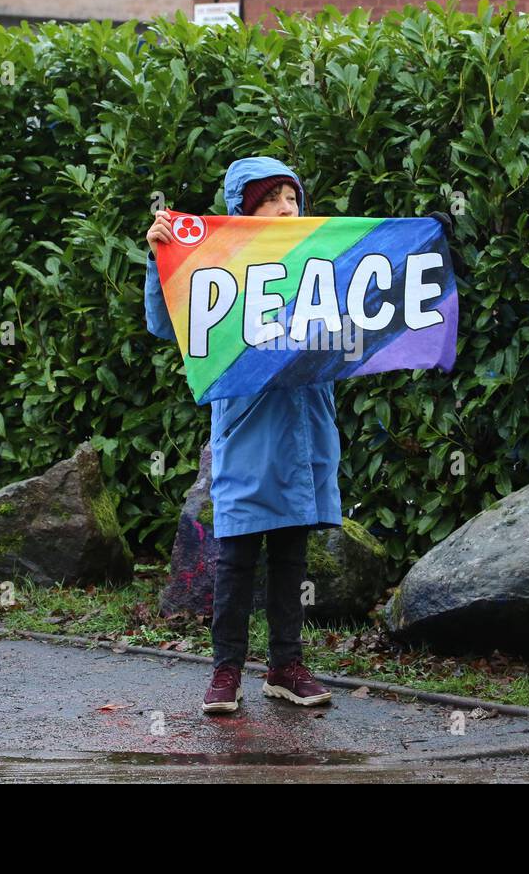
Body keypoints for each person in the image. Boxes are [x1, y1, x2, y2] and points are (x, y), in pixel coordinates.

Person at [144, 156, 337, 713]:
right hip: (248, 428)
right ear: (245, 209)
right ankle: (225, 671)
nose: (286, 207)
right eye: (273, 197)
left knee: (291, 557)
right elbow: (165, 324)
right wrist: (162, 256)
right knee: (236, 556)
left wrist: (424, 246)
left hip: (304, 429)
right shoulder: (217, 263)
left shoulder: (323, 257)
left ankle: (285, 666)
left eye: (293, 198)